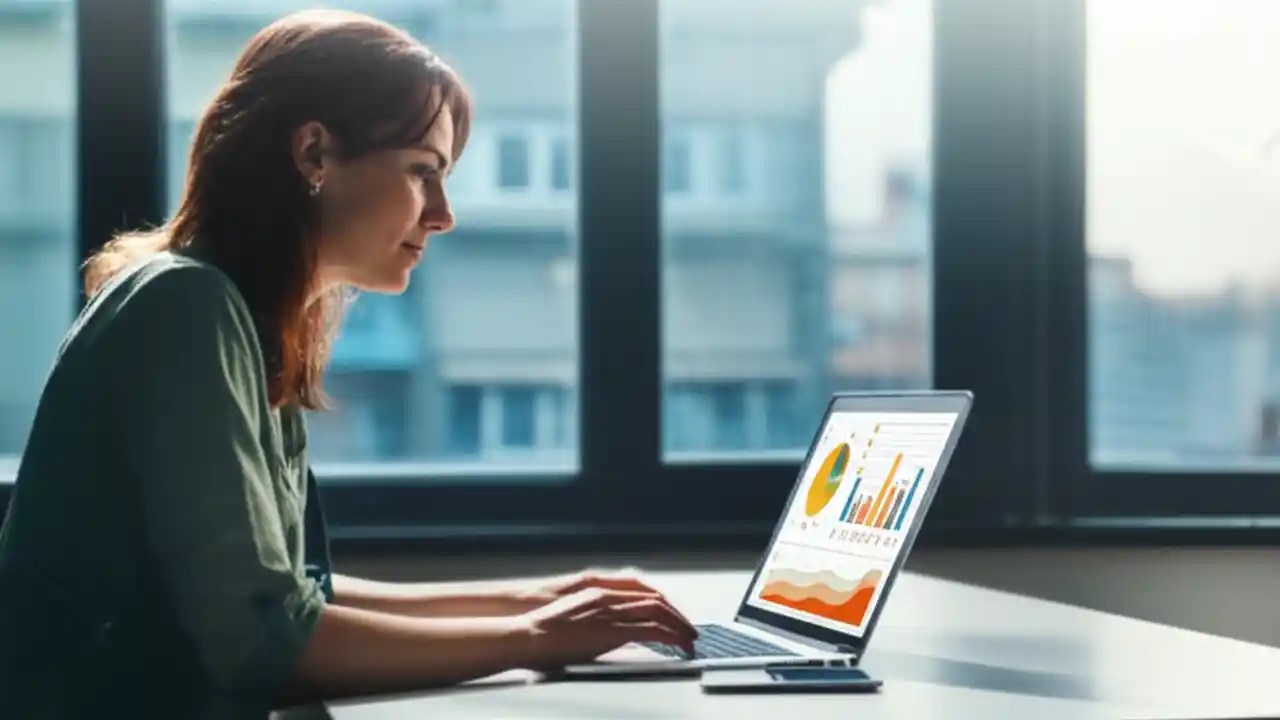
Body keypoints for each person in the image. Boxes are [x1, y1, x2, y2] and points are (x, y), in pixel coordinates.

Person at [0, 9, 697, 718]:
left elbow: (297, 591)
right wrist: (530, 637)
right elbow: (265, 640)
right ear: (313, 154)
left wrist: (539, 598)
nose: (444, 213)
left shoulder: (239, 312)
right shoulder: (187, 307)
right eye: (423, 172)